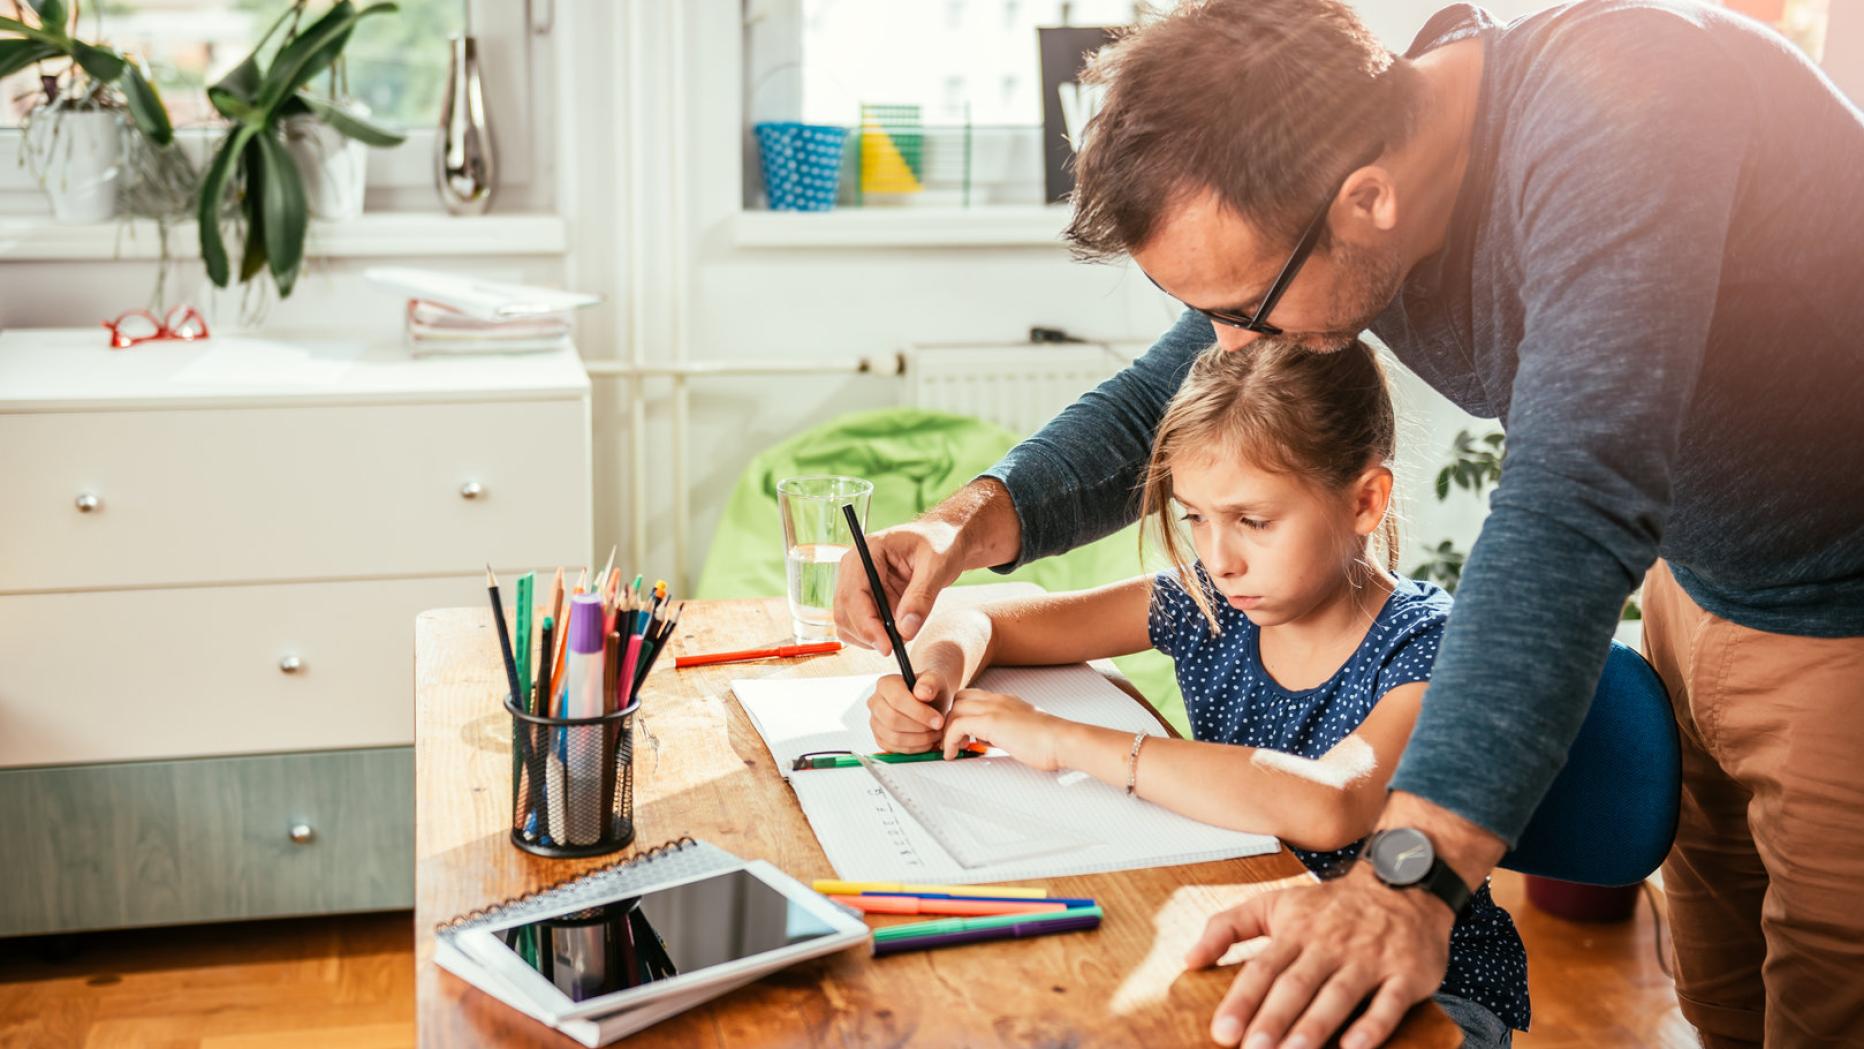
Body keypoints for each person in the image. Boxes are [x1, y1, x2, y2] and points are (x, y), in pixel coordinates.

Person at [836, 2, 1864, 1047]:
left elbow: (1571, 498)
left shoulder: (1624, 106)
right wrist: (966, 520)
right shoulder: (1357, 172)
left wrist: (1405, 879)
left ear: (1366, 201)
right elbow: (1170, 391)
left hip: (1844, 604)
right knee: (1728, 999)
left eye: (1244, 308)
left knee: (1834, 1008)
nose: (1231, 346)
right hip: (1703, 575)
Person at [868, 340, 1528, 1045]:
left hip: (1424, 992)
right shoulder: (1212, 602)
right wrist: (937, 670)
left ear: (1366, 499)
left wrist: (1061, 738)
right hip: (1245, 936)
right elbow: (990, 620)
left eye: (1255, 521)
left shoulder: (1424, 645)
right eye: (1196, 519)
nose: (1220, 557)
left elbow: (1330, 804)